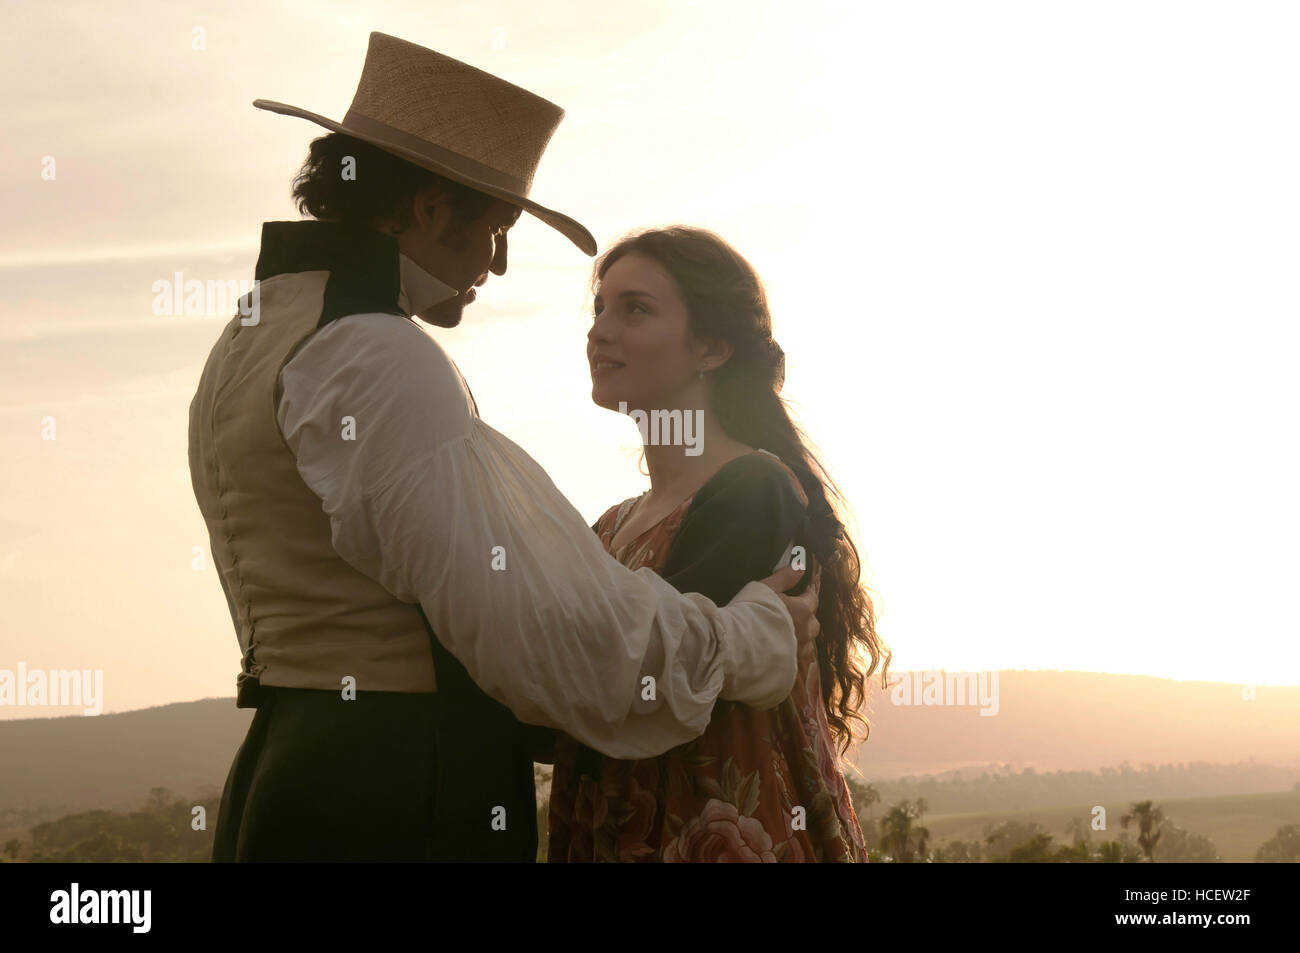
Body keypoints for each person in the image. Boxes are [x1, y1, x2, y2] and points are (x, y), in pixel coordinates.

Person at [188, 33, 818, 862]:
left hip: (291, 768)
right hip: (401, 788)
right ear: (429, 210)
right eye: (497, 226)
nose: (500, 260)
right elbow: (538, 626)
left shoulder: (252, 332)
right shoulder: (377, 353)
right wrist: (746, 639)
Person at [545, 226, 892, 862]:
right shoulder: (607, 527)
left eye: (635, 309)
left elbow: (633, 678)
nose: (600, 330)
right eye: (600, 308)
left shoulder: (751, 489)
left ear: (711, 347)